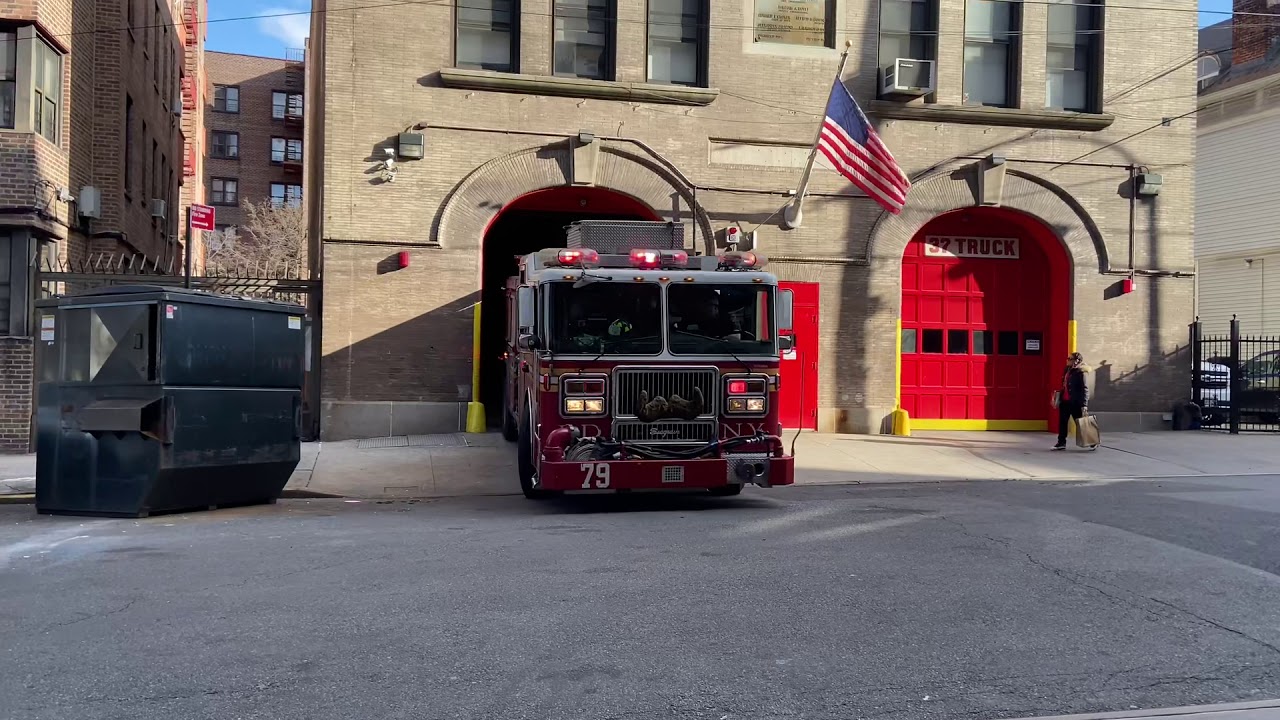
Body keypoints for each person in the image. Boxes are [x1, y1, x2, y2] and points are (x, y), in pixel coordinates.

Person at [1053, 352, 1096, 451]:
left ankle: (1093, 442)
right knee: (1063, 423)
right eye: (1068, 358)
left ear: (1076, 361)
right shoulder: (1067, 370)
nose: (1067, 360)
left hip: (1075, 403)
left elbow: (1085, 389)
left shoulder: (1081, 372)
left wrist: (1084, 404)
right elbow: (1065, 385)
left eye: (1070, 358)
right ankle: (1061, 443)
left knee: (1081, 423)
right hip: (1065, 401)